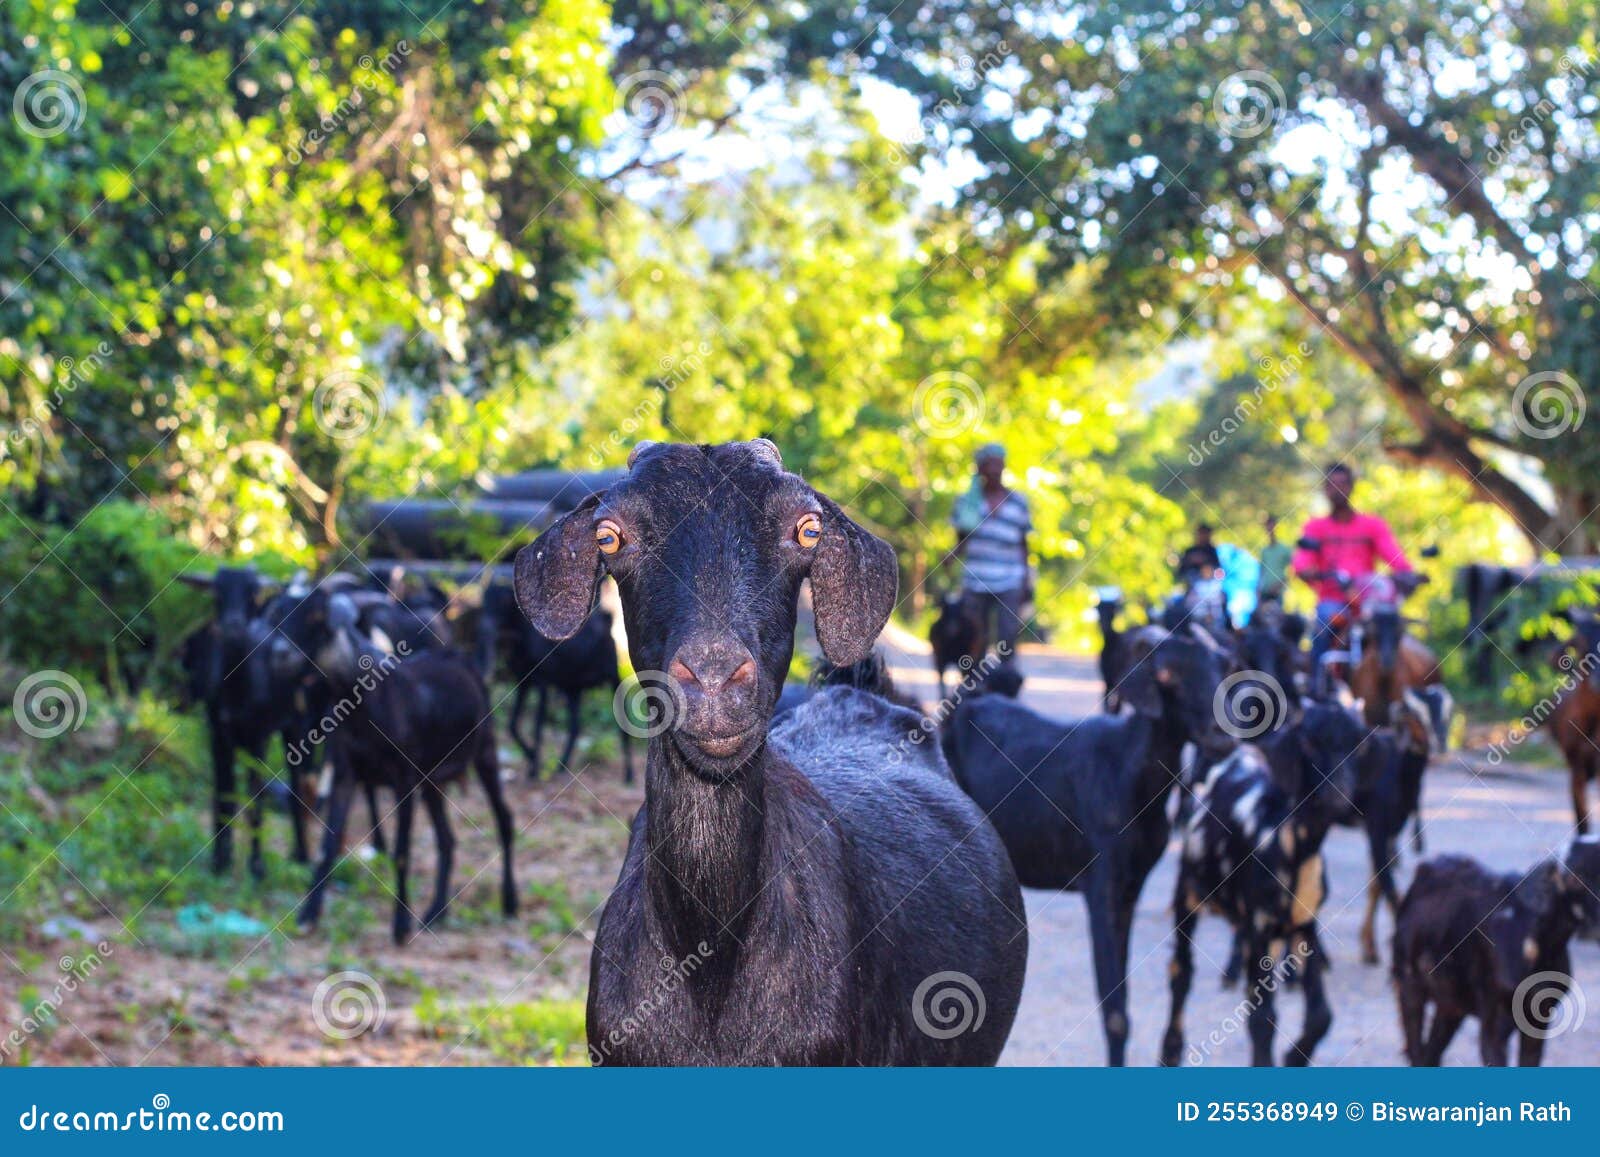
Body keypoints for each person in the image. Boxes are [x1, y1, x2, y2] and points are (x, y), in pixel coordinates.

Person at [1293, 463, 1413, 691]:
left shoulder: (1372, 525)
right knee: (1323, 622)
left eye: (1342, 484)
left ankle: (1413, 689)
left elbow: (1394, 555)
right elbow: (1302, 561)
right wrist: (1308, 571)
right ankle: (1316, 688)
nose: (1337, 490)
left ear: (1351, 487)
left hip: (1368, 602)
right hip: (1335, 600)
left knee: (1397, 625)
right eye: (1331, 485)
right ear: (1324, 490)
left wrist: (1407, 575)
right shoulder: (1316, 528)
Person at [949, 444, 1033, 669]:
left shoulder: (1019, 502)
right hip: (976, 578)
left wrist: (1027, 581)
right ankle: (975, 686)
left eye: (998, 464)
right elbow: (961, 540)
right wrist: (950, 558)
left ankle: (1005, 683)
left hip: (1010, 578)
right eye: (989, 464)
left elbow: (1025, 544)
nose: (995, 470)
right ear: (980, 469)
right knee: (976, 635)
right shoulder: (967, 502)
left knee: (1007, 635)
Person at [1257, 514, 1294, 605]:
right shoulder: (1264, 551)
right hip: (1264, 592)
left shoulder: (1285, 549)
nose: (1270, 529)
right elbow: (1261, 571)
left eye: (1272, 526)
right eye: (1267, 526)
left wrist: (1280, 585)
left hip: (1278, 594)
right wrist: (1258, 589)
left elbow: (1294, 569)